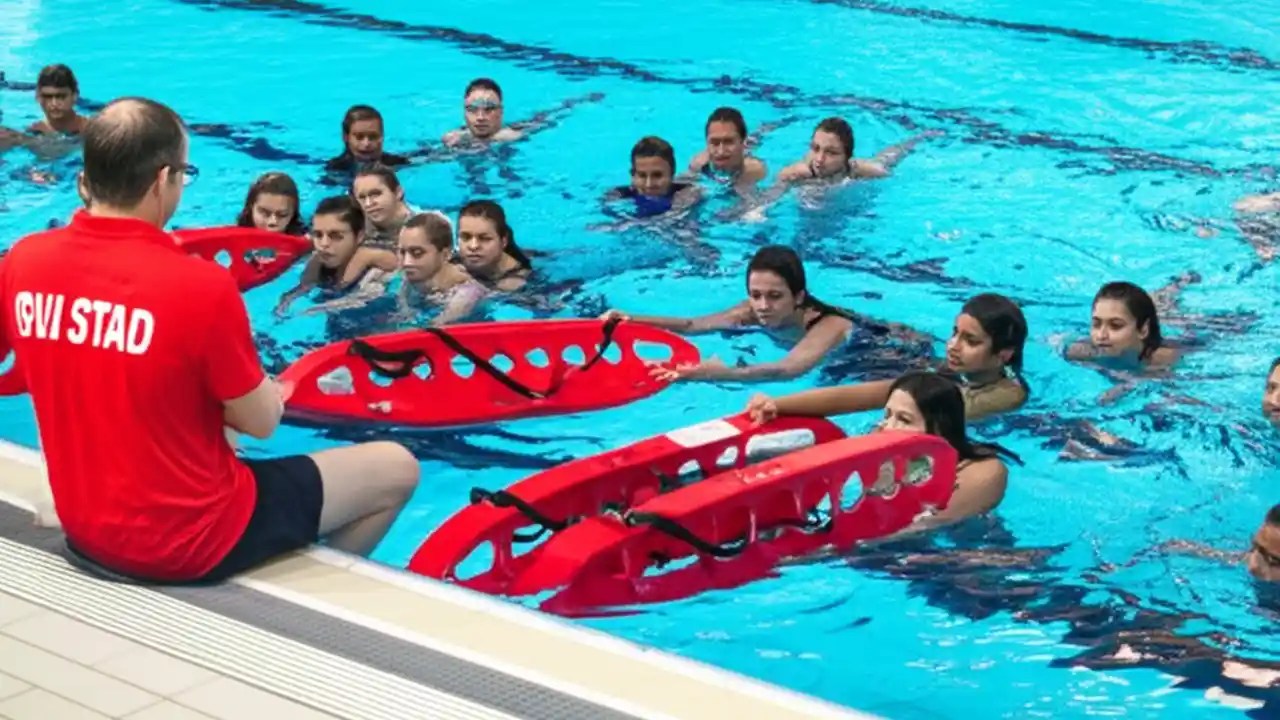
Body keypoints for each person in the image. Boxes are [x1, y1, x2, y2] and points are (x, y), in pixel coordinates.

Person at [0, 97, 420, 584]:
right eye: (183, 173)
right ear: (163, 181)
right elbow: (263, 422)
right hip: (189, 542)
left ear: (84, 181)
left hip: (85, 524)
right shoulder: (199, 286)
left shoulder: (23, 261)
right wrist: (269, 390)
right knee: (397, 468)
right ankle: (316, 593)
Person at [747, 293, 1030, 422]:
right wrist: (779, 404)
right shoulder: (962, 373)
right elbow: (878, 392)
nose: (954, 345)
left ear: (1003, 355)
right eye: (955, 333)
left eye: (971, 341)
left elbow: (886, 394)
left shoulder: (1006, 395)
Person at [603, 245, 856, 382]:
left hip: (869, 356)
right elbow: (693, 325)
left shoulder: (829, 324)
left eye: (775, 296)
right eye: (755, 295)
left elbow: (785, 370)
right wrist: (631, 319)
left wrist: (714, 373)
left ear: (798, 296)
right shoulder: (751, 312)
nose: (763, 306)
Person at [396, 212, 487, 325]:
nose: (406, 262)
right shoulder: (410, 280)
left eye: (417, 253)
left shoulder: (465, 295)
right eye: (402, 252)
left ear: (445, 254)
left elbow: (436, 329)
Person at [1067, 281, 1178, 369]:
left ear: (1143, 330)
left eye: (1115, 326)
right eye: (1096, 324)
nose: (1101, 335)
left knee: (1168, 314)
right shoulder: (1082, 352)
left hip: (1180, 331)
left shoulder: (1161, 361)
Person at [455, 199, 533, 291]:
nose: (473, 246)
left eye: (484, 238)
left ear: (504, 241)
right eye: (466, 237)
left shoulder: (516, 281)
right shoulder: (450, 260)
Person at [686, 107, 767, 192]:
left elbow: (754, 203)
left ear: (742, 142)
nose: (721, 151)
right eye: (715, 142)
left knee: (755, 140)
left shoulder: (752, 170)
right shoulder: (699, 164)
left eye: (728, 142)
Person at [236, 171, 306, 235]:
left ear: (293, 215)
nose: (273, 222)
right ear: (251, 207)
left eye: (282, 215)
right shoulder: (234, 235)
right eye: (265, 213)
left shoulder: (307, 241)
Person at [28, 64, 88, 137]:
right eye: (48, 97)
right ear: (38, 97)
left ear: (75, 96)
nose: (54, 103)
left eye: (61, 97)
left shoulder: (91, 130)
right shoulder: (33, 133)